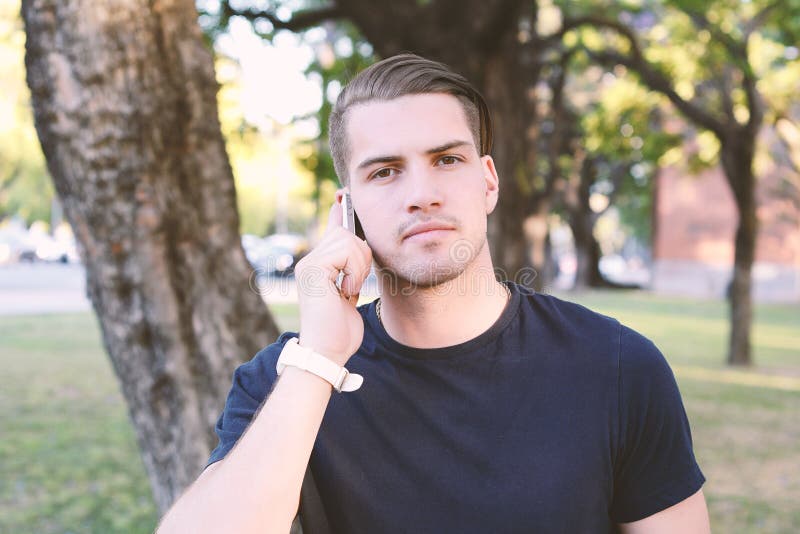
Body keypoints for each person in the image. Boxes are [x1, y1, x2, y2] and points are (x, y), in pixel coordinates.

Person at [158, 53, 709, 534]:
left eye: (447, 160)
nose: (421, 195)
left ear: (487, 181)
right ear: (347, 211)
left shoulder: (618, 367)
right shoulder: (285, 381)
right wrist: (319, 360)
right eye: (385, 172)